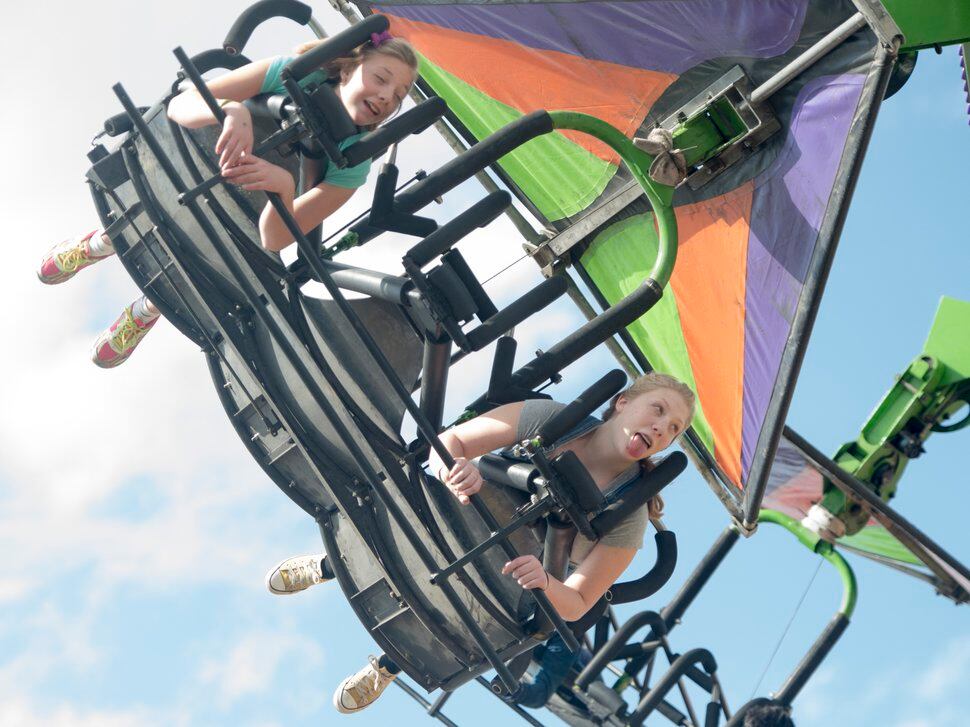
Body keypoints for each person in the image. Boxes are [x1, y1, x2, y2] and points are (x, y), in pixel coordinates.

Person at [265, 372, 695, 713]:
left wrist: (547, 582)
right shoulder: (554, 419)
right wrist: (454, 470)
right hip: (459, 514)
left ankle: (388, 664)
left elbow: (579, 602)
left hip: (504, 576)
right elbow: (450, 443)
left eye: (672, 429)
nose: (661, 427)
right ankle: (329, 565)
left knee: (487, 614)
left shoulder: (630, 512)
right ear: (622, 403)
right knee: (419, 523)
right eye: (657, 410)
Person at [37, 31, 418, 367]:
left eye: (399, 96)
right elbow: (179, 105)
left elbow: (275, 238)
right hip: (188, 171)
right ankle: (103, 241)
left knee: (206, 263)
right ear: (349, 69)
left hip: (238, 222)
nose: (387, 96)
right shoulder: (290, 73)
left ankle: (146, 308)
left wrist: (284, 188)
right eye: (381, 78)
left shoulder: (354, 162)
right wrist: (230, 109)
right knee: (159, 210)